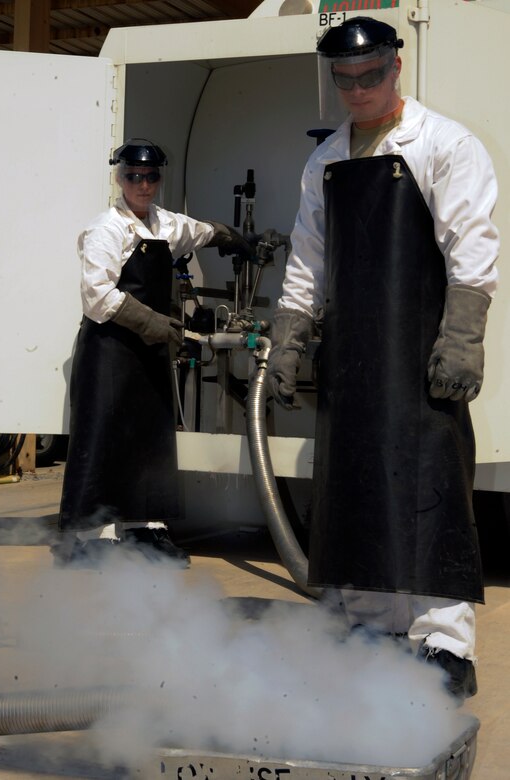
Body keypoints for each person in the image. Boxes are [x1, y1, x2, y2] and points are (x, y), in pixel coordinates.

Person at [267, 17, 499, 699]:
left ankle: (444, 645)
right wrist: (289, 339)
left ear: (397, 67)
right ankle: (371, 630)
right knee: (358, 486)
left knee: (429, 489)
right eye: (346, 79)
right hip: (353, 353)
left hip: (421, 347)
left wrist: (462, 337)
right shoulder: (325, 161)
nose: (359, 90)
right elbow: (307, 261)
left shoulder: (445, 144)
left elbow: (472, 249)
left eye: (371, 76)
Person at [53, 138, 252, 567]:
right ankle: (89, 536)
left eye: (150, 177)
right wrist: (155, 324)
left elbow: (196, 231)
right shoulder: (106, 229)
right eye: (132, 177)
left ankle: (146, 529)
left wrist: (230, 237)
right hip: (108, 348)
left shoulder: (164, 223)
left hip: (148, 353)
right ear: (119, 178)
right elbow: (98, 296)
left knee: (150, 436)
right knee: (103, 436)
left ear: (160, 178)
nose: (142, 185)